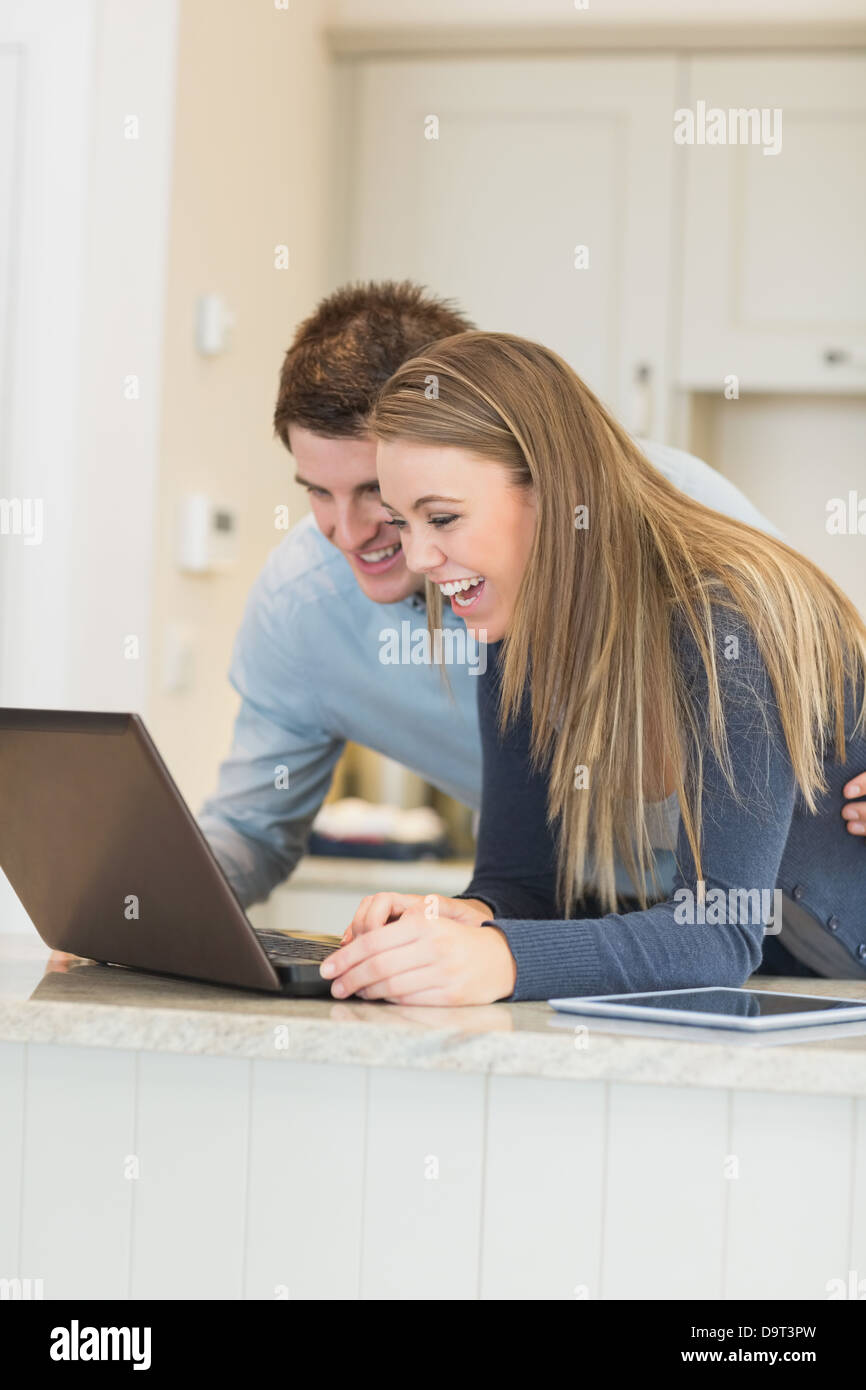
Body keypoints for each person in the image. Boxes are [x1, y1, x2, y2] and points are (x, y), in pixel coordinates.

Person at [321, 330, 866, 1005]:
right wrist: (468, 921)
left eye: (442, 517)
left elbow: (717, 936)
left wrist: (502, 959)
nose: (421, 558)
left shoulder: (729, 621)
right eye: (404, 523)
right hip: (807, 987)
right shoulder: (515, 630)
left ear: (552, 492)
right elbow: (520, 884)